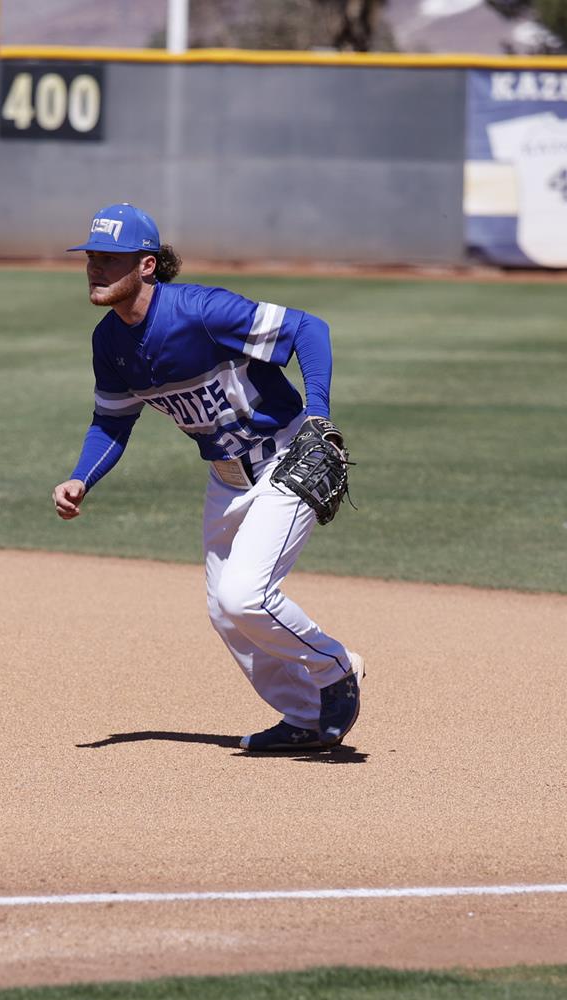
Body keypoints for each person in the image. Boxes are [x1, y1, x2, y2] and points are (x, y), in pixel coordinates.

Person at [52, 203, 364, 753]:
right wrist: (82, 478)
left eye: (110, 258)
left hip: (285, 457)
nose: (95, 268)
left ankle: (335, 668)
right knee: (225, 611)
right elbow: (111, 422)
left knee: (245, 596)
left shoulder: (200, 310)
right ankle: (305, 718)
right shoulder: (110, 343)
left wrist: (318, 413)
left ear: (146, 265)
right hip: (225, 479)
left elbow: (308, 328)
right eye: (92, 257)